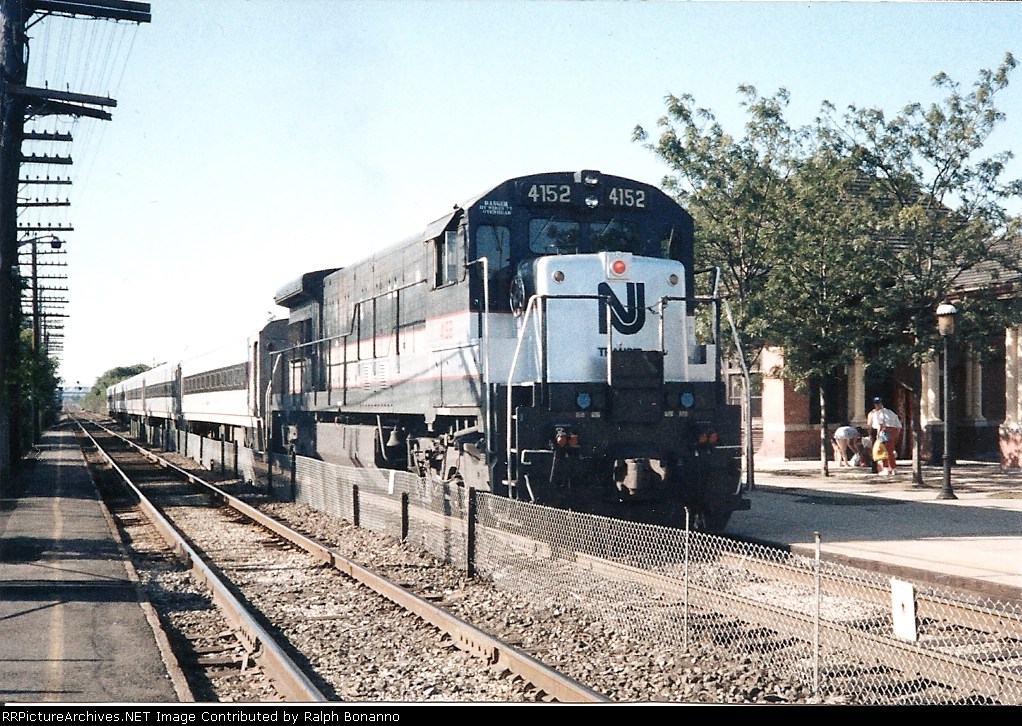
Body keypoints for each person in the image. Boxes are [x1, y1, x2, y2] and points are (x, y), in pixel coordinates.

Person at [867, 397, 902, 475]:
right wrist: (896, 436)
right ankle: (893, 468)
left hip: (884, 431)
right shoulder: (891, 412)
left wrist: (878, 434)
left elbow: (881, 424)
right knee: (890, 451)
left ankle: (886, 468)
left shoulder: (879, 413)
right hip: (893, 431)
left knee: (883, 450)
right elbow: (899, 426)